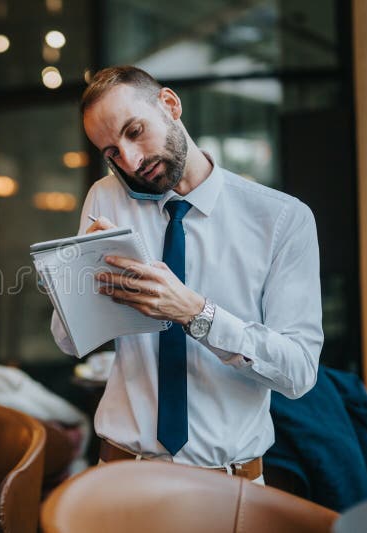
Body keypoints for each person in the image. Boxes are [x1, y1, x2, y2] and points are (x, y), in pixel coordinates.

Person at [51, 66, 323, 480]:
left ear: (170, 105)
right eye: (111, 153)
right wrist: (85, 281)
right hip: (122, 473)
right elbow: (67, 340)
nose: (131, 160)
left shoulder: (282, 219)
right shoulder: (106, 198)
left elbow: (299, 372)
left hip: (229, 483)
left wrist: (198, 313)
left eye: (135, 131)